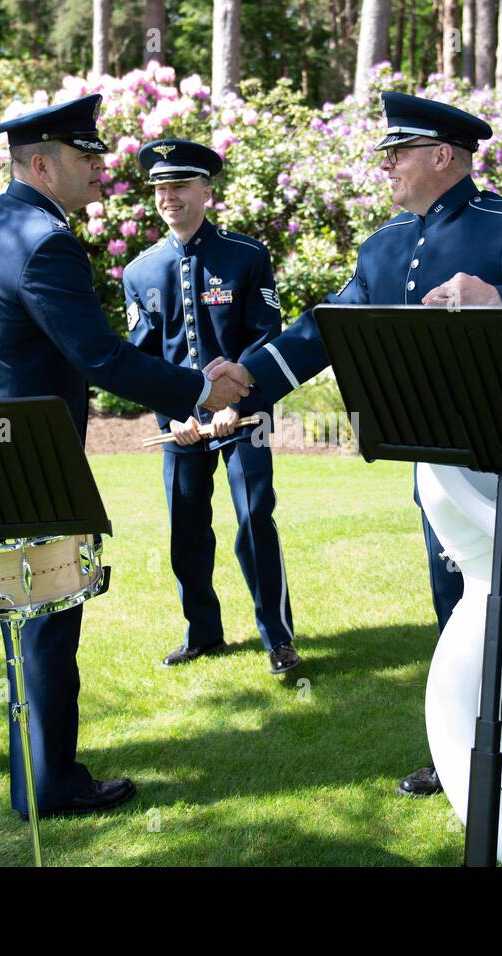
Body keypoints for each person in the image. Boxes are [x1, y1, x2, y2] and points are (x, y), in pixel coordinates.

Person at [206, 92, 502, 830]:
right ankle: (471, 760)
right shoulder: (383, 247)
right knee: (461, 617)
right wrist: (248, 375)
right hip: (443, 466)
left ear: (443, 155)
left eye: (398, 153)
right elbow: (325, 329)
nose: (385, 166)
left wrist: (501, 297)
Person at [0, 94, 250, 819]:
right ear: (42, 165)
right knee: (47, 609)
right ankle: (49, 785)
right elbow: (98, 356)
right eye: (86, 157)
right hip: (27, 453)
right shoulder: (48, 242)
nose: (101, 169)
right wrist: (200, 390)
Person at [123, 139, 302, 676]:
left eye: (180, 185)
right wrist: (173, 417)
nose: (169, 197)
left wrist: (236, 400)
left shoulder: (246, 256)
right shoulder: (139, 271)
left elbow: (265, 334)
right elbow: (141, 358)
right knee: (186, 532)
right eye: (161, 188)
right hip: (180, 426)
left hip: (244, 417)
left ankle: (278, 638)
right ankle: (202, 634)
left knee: (254, 522)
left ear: (206, 190)